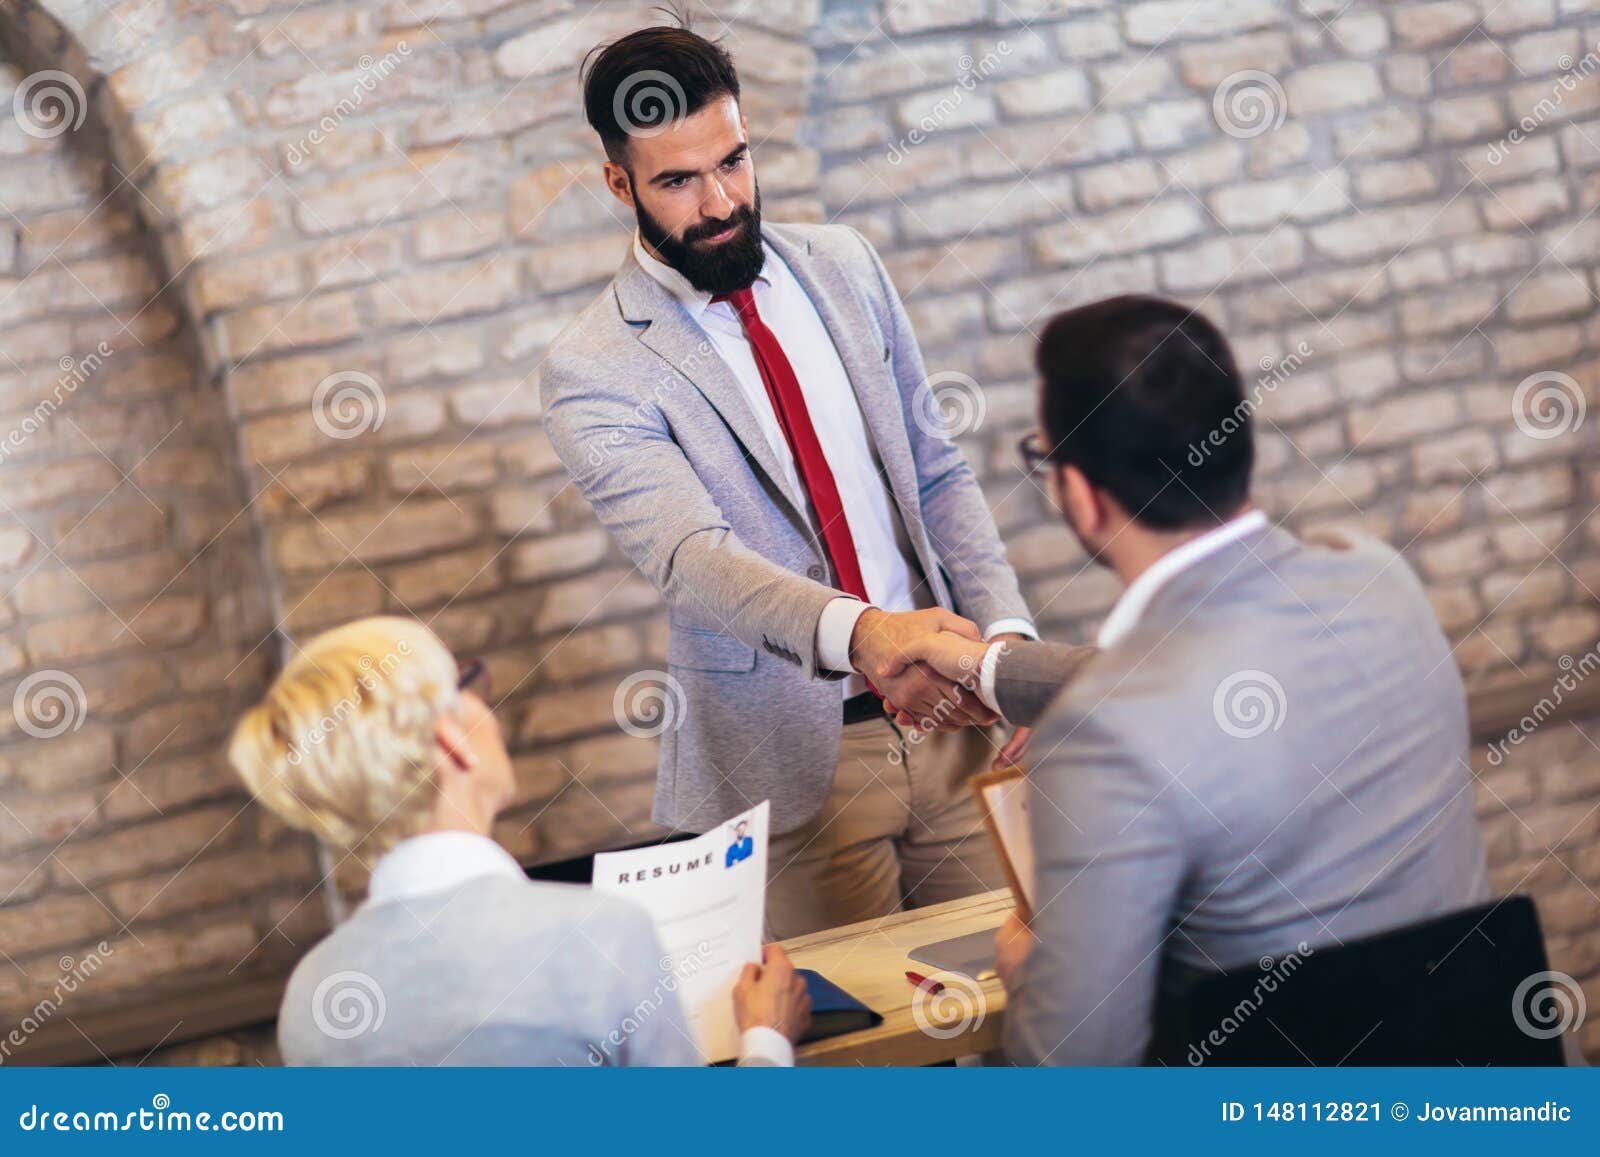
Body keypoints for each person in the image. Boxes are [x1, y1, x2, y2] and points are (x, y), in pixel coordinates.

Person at [541, 22, 1042, 938]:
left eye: (733, 161)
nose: (721, 201)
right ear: (619, 184)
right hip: (789, 765)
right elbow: (694, 559)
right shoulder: (594, 366)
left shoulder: (845, 264)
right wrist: (870, 636)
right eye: (678, 181)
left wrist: (1011, 652)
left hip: (957, 722)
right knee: (852, 1030)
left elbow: (934, 471)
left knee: (1014, 986)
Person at [896, 295, 1491, 1065]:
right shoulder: (1379, 578)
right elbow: (1199, 684)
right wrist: (990, 667)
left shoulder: (1105, 733)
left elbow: (1073, 1072)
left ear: (1079, 494)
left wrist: (1031, 973)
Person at [227, 616, 810, 1066]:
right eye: (467, 684)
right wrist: (767, 1036)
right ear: (452, 741)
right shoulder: (601, 934)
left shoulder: (310, 1000)